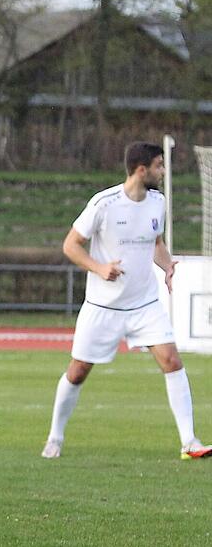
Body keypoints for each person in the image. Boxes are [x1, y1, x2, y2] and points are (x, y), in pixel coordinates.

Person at [42, 142, 212, 460]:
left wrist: (168, 265)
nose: (164, 171)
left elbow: (156, 242)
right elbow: (71, 245)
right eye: (160, 166)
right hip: (102, 307)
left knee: (172, 361)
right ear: (141, 169)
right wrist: (99, 268)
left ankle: (190, 442)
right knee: (78, 371)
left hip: (145, 304)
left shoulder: (158, 202)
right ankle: (55, 436)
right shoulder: (104, 204)